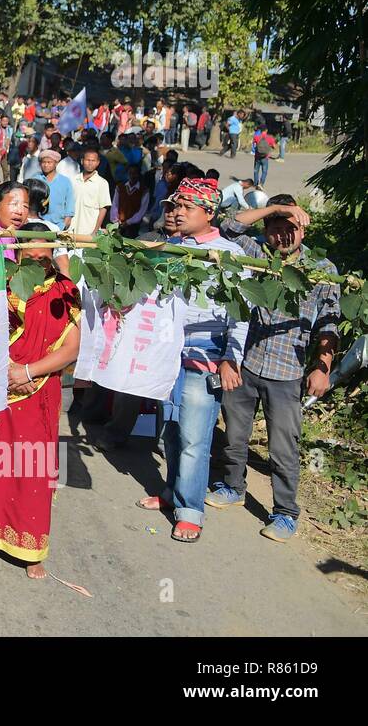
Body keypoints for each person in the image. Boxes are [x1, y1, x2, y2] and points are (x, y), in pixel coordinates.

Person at [207, 197, 339, 542]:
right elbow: (230, 225)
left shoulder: (320, 268)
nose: (282, 236)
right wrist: (273, 211)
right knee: (234, 435)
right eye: (275, 228)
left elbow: (329, 323)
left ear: (302, 229)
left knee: (283, 447)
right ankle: (233, 487)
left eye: (290, 228)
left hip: (288, 369)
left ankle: (284, 512)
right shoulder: (254, 252)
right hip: (246, 362)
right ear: (266, 230)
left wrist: (322, 367)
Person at [0, 223, 80, 576]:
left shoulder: (65, 290)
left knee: (32, 468)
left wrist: (29, 372)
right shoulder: (1, 282)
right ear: (18, 252)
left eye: (45, 257)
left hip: (39, 390)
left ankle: (30, 547)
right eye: (30, 256)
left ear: (53, 256)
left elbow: (72, 347)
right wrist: (7, 367)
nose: (38, 262)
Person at [137, 177, 249, 542]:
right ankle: (171, 493)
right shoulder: (170, 247)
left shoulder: (228, 253)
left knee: (195, 438)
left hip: (205, 356)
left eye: (187, 206)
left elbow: (241, 313)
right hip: (167, 355)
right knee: (169, 431)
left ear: (209, 212)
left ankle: (191, 511)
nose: (178, 212)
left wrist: (231, 357)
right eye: (175, 205)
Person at [69, 146, 111, 235]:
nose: (90, 163)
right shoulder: (73, 180)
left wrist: (95, 231)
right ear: (82, 161)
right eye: (87, 160)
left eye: (93, 161)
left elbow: (103, 209)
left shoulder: (102, 183)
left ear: (98, 163)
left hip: (89, 230)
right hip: (71, 229)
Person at [36, 149, 74, 230]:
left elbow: (70, 207)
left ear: (56, 163)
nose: (46, 165)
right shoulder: (35, 180)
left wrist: (63, 226)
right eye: (43, 162)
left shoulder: (65, 181)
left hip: (58, 226)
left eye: (49, 162)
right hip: (38, 225)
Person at [112, 164, 149, 237]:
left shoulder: (144, 190)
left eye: (135, 173)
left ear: (138, 174)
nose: (132, 176)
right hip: (118, 223)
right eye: (130, 173)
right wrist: (115, 219)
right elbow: (115, 204)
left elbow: (142, 210)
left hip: (134, 225)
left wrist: (129, 222)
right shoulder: (120, 187)